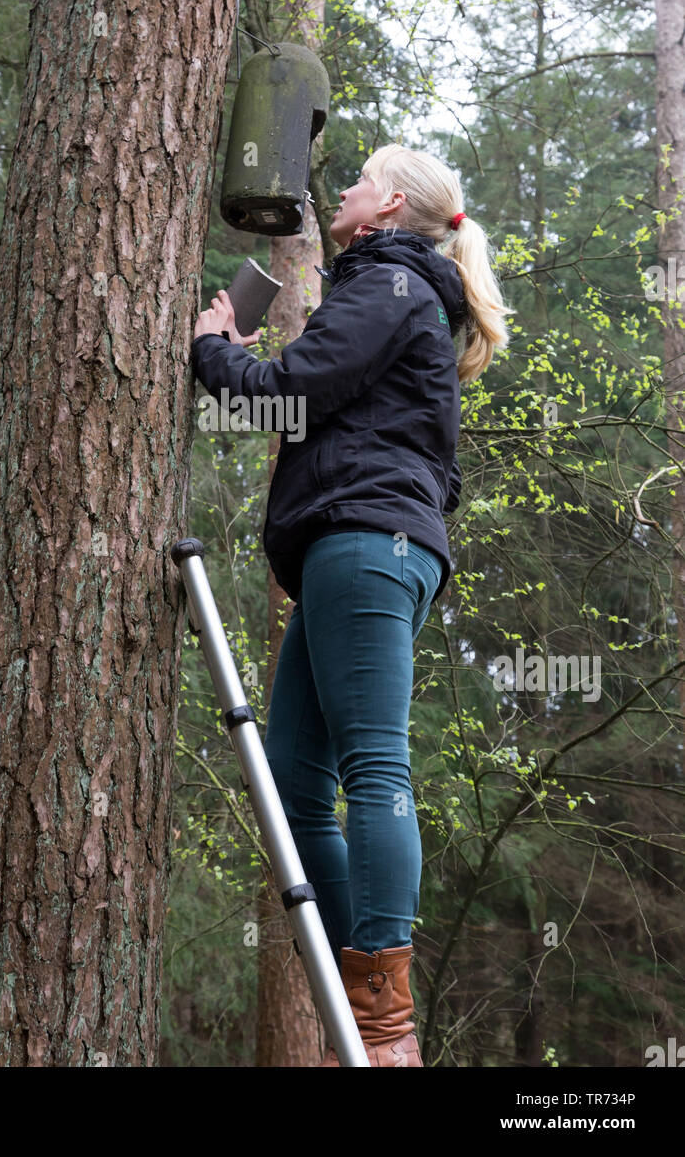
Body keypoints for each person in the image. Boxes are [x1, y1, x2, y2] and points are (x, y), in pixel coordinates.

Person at [191, 143, 512, 1067]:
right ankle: (350, 988)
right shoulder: (392, 289)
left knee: (373, 766)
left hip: (369, 545)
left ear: (390, 207)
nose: (342, 190)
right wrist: (241, 364)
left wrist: (214, 347)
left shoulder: (395, 287)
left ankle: (384, 1024)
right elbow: (304, 397)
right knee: (295, 783)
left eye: (360, 180)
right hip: (351, 549)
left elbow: (285, 395)